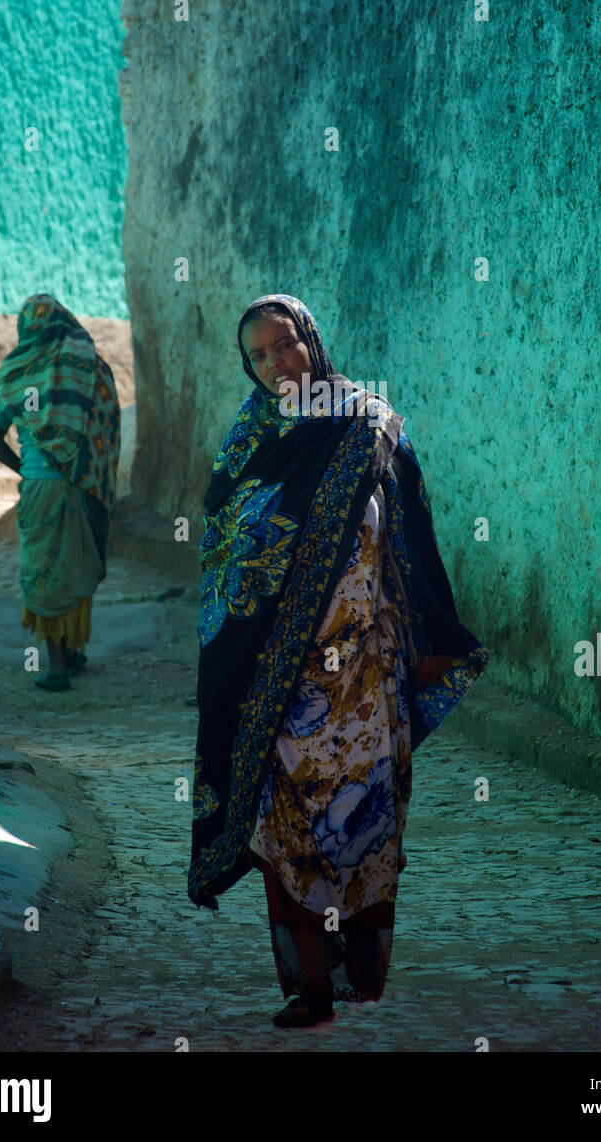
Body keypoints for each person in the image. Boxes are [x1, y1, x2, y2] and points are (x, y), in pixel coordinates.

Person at [187, 293, 489, 1028]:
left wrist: (425, 643)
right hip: (278, 684)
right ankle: (309, 989)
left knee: (366, 826)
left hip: (365, 674)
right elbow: (223, 551)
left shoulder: (370, 425)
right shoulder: (250, 439)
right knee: (284, 831)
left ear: (312, 341)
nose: (275, 364)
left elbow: (413, 537)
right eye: (257, 355)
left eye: (284, 345)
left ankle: (359, 967)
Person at [0, 293, 121, 692]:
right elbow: (108, 433)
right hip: (86, 485)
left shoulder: (17, 368)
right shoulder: (92, 366)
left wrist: (24, 470)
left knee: (45, 570)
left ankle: (57, 666)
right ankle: (74, 650)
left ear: (26, 327)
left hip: (41, 488)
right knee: (77, 563)